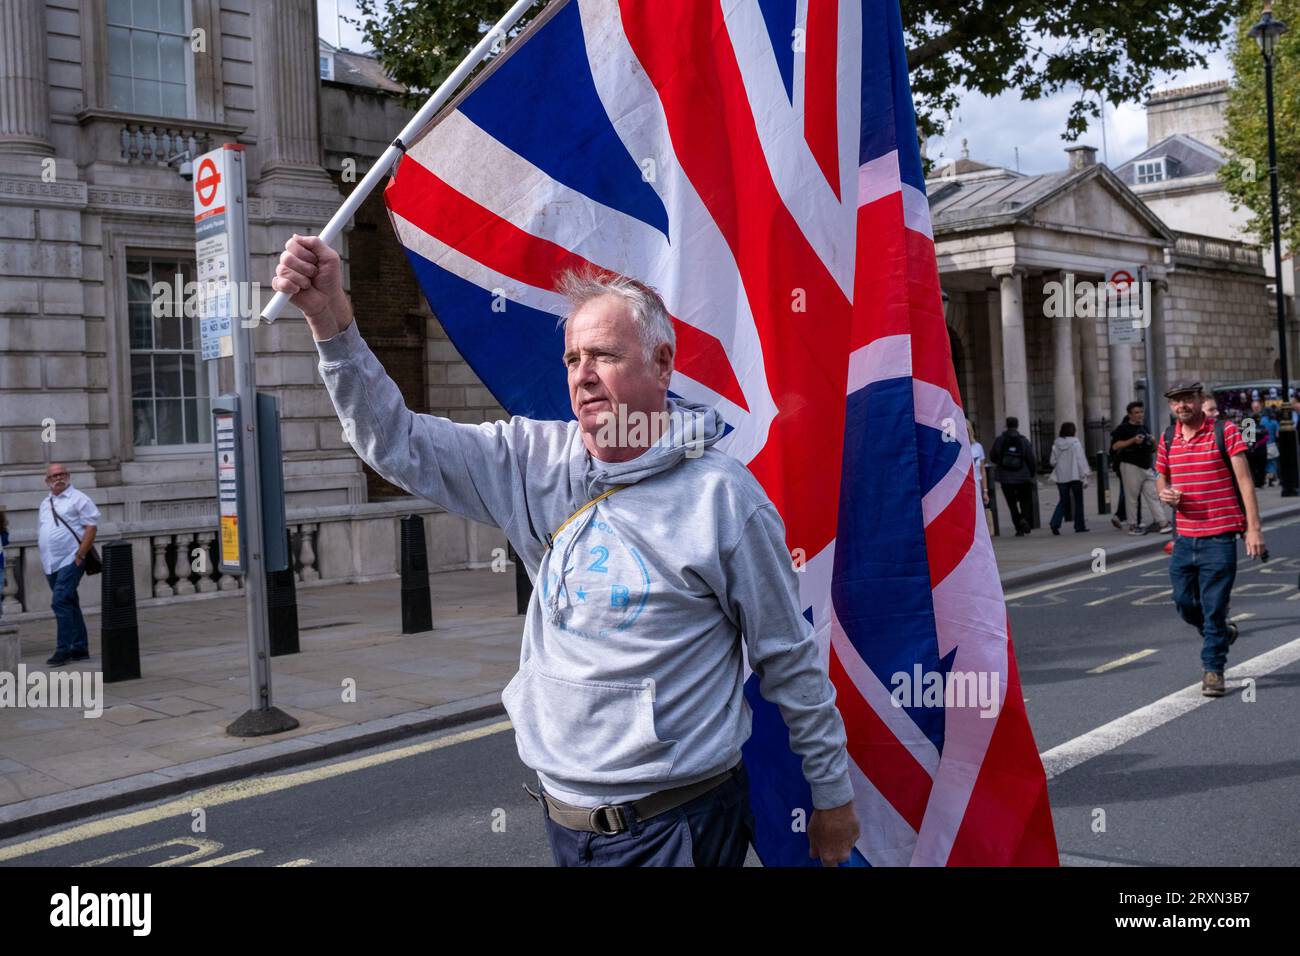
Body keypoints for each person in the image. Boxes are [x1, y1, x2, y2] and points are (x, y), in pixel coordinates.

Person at [274, 235, 859, 867]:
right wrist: (331, 322)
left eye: (604, 354)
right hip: (565, 822)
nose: (582, 374)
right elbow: (395, 442)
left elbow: (788, 659)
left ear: (662, 365)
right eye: (573, 358)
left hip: (675, 825)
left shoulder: (722, 499)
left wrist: (832, 795)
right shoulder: (532, 461)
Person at [1156, 381, 1265, 698]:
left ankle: (1213, 670)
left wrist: (1254, 528)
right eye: (1175, 402)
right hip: (1184, 538)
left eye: (1186, 400)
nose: (1181, 406)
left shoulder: (1225, 431)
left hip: (1219, 536)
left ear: (1198, 400)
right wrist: (1164, 492)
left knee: (1214, 606)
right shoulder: (1167, 437)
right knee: (1184, 602)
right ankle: (1218, 634)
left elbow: (1245, 482)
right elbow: (1161, 474)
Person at [37, 464, 99, 665]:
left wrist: (81, 553)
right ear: (47, 480)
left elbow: (91, 526)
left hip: (71, 559)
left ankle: (63, 650)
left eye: (62, 474)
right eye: (54, 475)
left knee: (60, 601)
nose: (59, 478)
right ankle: (79, 648)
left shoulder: (79, 498)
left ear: (68, 476)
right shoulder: (45, 503)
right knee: (69, 601)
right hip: (50, 562)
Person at [1110, 401, 1169, 535]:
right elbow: (1115, 446)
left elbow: (1153, 449)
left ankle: (1163, 523)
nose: (1140, 415)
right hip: (1130, 465)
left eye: (1141, 412)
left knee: (1153, 495)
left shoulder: (1144, 428)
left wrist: (1153, 441)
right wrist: (1132, 440)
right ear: (1130, 415)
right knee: (1132, 498)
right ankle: (1133, 526)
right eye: (1136, 413)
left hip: (1146, 466)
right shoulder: (1123, 429)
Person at [991, 416, 1036, 535]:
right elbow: (1031, 458)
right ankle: (1024, 519)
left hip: (1005, 477)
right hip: (1023, 476)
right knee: (1025, 502)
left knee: (1012, 505)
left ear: (1006, 425)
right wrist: (1031, 473)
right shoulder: (1023, 440)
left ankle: (1018, 529)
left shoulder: (1000, 440)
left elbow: (993, 457)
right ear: (1017, 425)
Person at [1049, 422, 1089, 534]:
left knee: (1063, 500)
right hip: (1075, 475)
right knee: (1078, 501)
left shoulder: (1056, 444)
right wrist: (1085, 473)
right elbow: (1080, 460)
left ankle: (1055, 523)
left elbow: (1052, 461)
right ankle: (1079, 525)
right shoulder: (1076, 443)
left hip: (1061, 476)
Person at [968, 418, 990, 523]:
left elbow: (982, 471)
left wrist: (985, 491)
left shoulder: (977, 447)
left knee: (979, 516)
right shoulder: (957, 447)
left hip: (977, 485)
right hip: (965, 486)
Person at [1244, 399, 1269, 488]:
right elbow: (1266, 437)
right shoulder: (1262, 427)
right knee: (1260, 467)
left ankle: (1257, 482)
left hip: (1253, 451)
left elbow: (1246, 439)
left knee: (1254, 468)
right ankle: (1260, 482)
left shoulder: (1248, 428)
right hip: (1260, 451)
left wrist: (1251, 445)